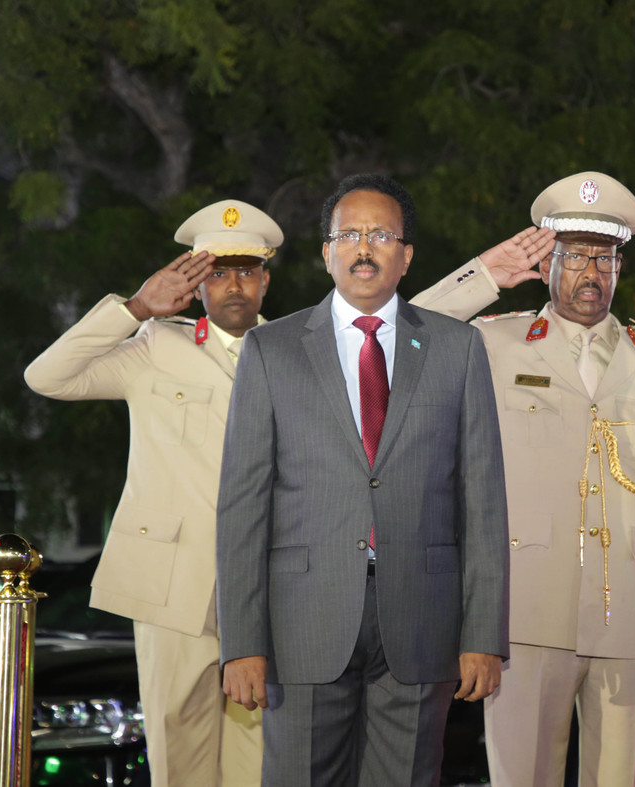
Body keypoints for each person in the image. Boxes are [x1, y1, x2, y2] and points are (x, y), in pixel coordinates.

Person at [412, 171, 635, 785]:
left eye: (604, 257)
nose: (590, 272)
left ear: (619, 267)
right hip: (525, 615)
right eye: (574, 256)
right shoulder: (496, 343)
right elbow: (400, 341)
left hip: (626, 616)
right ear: (548, 262)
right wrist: (485, 276)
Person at [216, 173, 509, 785]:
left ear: (406, 256)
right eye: (348, 234)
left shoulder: (458, 350)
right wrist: (242, 642)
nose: (364, 247)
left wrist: (483, 633)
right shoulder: (272, 350)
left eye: (381, 234)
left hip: (420, 622)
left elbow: (481, 501)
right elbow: (242, 507)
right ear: (326, 252)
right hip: (303, 623)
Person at [24, 199, 281, 786]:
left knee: (260, 760)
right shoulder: (154, 346)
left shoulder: (296, 352)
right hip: (174, 588)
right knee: (179, 753)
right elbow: (46, 377)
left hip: (268, 585)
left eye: (246, 272)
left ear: (266, 280)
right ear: (196, 283)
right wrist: (136, 307)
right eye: (217, 273)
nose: (234, 286)